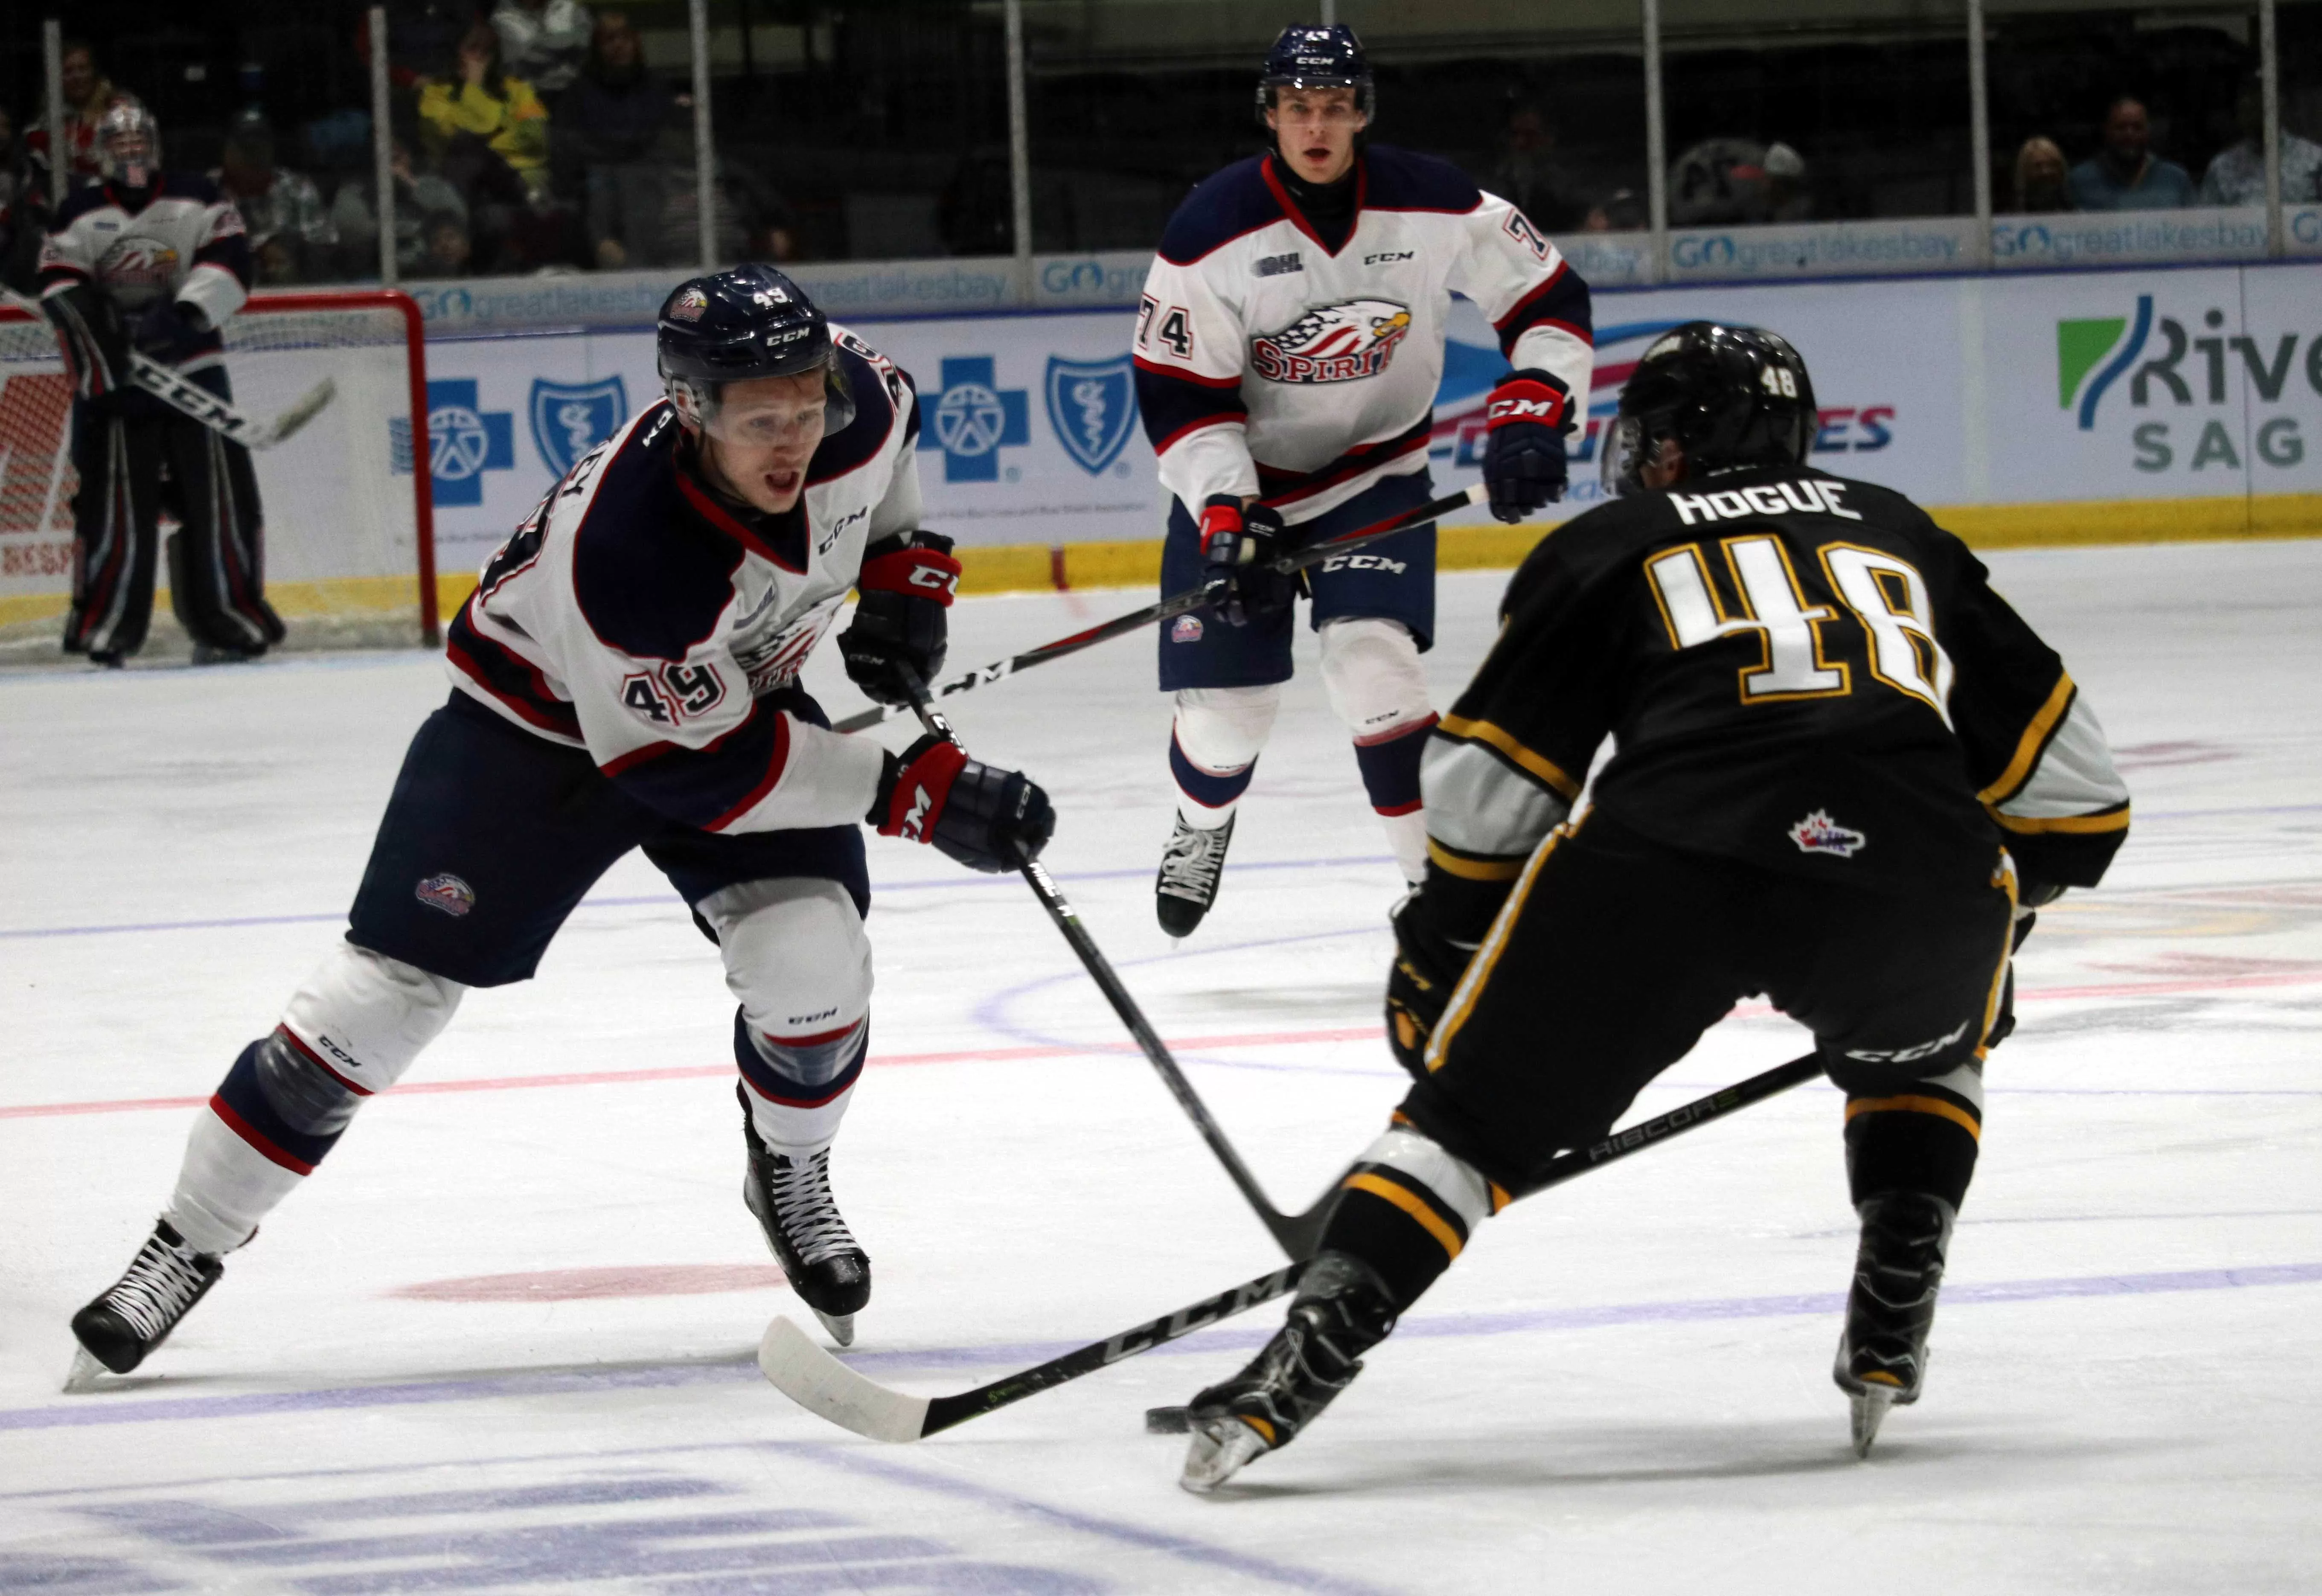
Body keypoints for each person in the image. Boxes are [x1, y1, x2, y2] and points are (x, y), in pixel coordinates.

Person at [1172, 322, 2132, 1492]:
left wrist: (1442, 944)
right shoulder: (1901, 530)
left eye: (1653, 434)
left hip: (1667, 871)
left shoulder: (1610, 544)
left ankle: (1295, 1370)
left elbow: (1486, 798)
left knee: (1465, 1133)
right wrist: (1993, 915)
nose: (1640, 456)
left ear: (1684, 438)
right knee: (1931, 1052)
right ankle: (1896, 1294)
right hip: (1912, 878)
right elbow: (2081, 805)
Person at [64, 265, 1057, 1385]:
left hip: (723, 700)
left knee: (814, 963)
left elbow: (893, 451)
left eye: (807, 407)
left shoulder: (857, 400)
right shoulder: (625, 551)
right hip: (531, 738)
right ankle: (184, 1242)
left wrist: (901, 577)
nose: (795, 439)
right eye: (759, 419)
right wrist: (913, 790)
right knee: (372, 1008)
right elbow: (703, 770)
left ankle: (788, 1168)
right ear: (690, 409)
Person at [1132, 24, 1593, 936]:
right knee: (1230, 716)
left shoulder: (1433, 202)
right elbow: (1182, 397)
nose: (1318, 125)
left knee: (1370, 660)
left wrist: (1538, 402)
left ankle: (1440, 895)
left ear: (1361, 115)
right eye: (1300, 107)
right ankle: (1201, 822)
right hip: (1243, 494)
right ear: (1270, 115)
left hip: (1376, 477)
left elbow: (1544, 296)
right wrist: (1229, 508)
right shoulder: (1208, 232)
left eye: (1335, 107)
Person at [35, 102, 285, 666]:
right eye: (118, 143)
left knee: (220, 503)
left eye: (138, 140)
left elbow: (231, 260)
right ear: (100, 152)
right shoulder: (77, 211)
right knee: (114, 507)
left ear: (157, 144)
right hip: (118, 381)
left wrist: (184, 315)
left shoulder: (197, 196)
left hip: (193, 371)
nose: (131, 152)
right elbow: (58, 283)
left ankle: (230, 619)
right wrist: (97, 327)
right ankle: (107, 627)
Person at [559, 10, 674, 269]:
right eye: (609, 39)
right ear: (598, 48)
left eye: (624, 38)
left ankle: (647, 266)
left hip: (647, 172)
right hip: (599, 173)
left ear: (636, 42)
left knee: (642, 185)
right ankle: (615, 259)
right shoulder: (579, 92)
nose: (618, 45)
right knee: (606, 183)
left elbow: (662, 137)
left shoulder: (654, 87)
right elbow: (571, 144)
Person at [215, 113, 338, 286]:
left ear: (272, 149)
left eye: (260, 147)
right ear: (226, 151)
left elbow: (324, 247)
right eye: (245, 149)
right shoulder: (207, 193)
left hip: (291, 296)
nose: (254, 157)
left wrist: (292, 253)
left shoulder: (297, 188)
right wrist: (259, 251)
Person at [328, 136, 471, 279]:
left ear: (409, 156)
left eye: (397, 158)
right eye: (386, 159)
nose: (393, 166)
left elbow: (457, 217)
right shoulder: (355, 191)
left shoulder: (431, 185)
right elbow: (348, 227)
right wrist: (404, 229)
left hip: (430, 269)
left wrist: (414, 187)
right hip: (377, 272)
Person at [23, 41, 143, 186]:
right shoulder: (47, 122)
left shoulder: (121, 109)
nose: (77, 77)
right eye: (68, 71)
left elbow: (140, 164)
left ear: (94, 72)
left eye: (83, 69)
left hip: (119, 197)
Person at [2198, 79, 2322, 206]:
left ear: (2280, 103)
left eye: (2259, 98)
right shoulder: (2221, 168)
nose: (2251, 105)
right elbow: (2206, 221)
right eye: (2246, 99)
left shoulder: (2315, 160)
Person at [2067, 97, 2194, 211]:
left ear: (2148, 131)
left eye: (2137, 127)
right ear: (2106, 131)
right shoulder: (2080, 181)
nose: (2129, 135)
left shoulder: (2176, 178)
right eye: (2121, 127)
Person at [1487, 105, 1584, 234]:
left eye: (1530, 135)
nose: (1520, 142)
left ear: (1549, 138)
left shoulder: (1569, 186)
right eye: (1514, 134)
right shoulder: (1493, 182)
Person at [493, 0, 595, 100]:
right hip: (528, 95)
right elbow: (521, 58)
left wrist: (536, 44)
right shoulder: (502, 16)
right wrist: (569, 45)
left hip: (575, 89)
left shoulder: (569, 6)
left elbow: (584, 39)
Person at [2012, 137, 2073, 213]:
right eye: (2038, 166)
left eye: (2052, 165)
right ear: (2026, 169)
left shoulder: (2073, 204)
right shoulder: (2014, 211)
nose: (2045, 172)